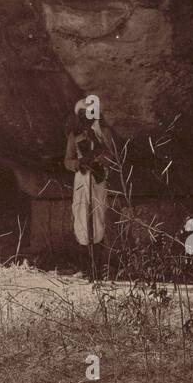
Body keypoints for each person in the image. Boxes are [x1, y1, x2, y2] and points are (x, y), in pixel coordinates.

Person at [65, 96, 115, 280]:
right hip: (81, 180)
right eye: (84, 113)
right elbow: (67, 161)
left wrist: (99, 160)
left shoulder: (104, 132)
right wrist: (79, 163)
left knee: (98, 218)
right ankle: (85, 268)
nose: (87, 116)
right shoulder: (74, 136)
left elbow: (112, 157)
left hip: (98, 180)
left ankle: (99, 268)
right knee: (80, 219)